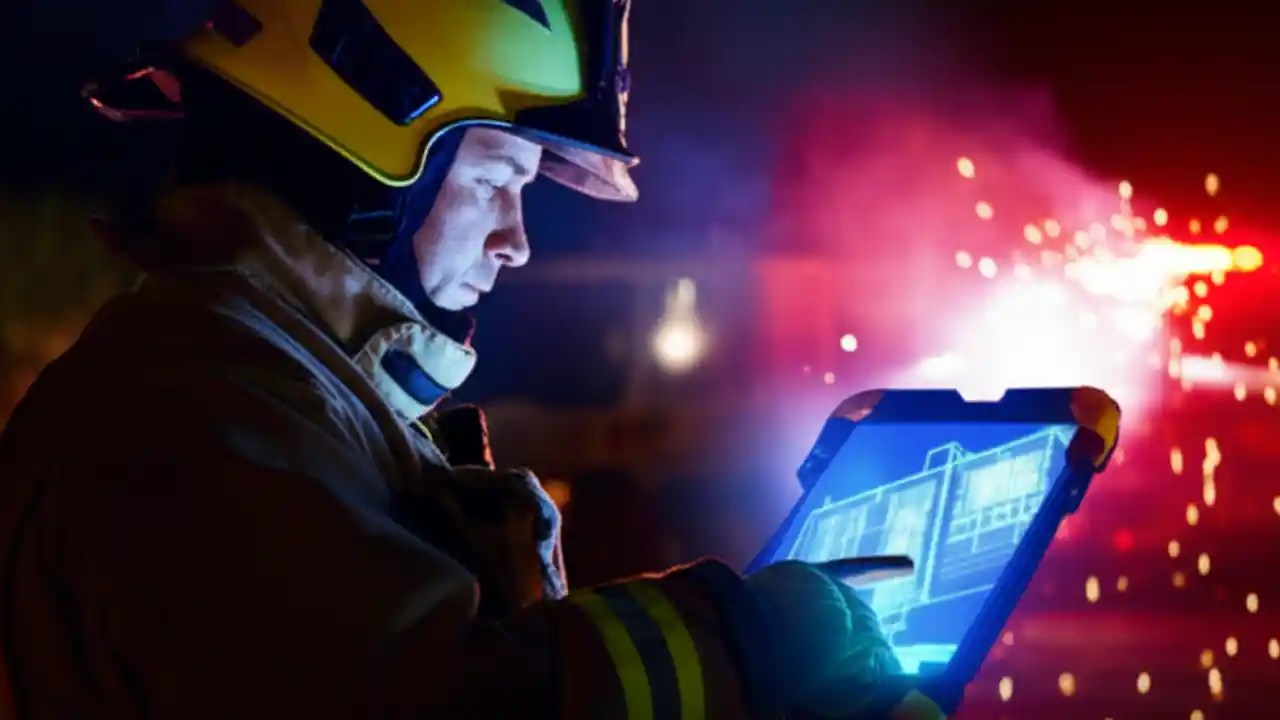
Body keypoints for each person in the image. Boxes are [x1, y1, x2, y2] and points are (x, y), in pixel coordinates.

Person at [0, 1, 943, 718]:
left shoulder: (270, 387)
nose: (516, 242)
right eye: (496, 177)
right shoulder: (196, 407)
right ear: (361, 152)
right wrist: (746, 640)